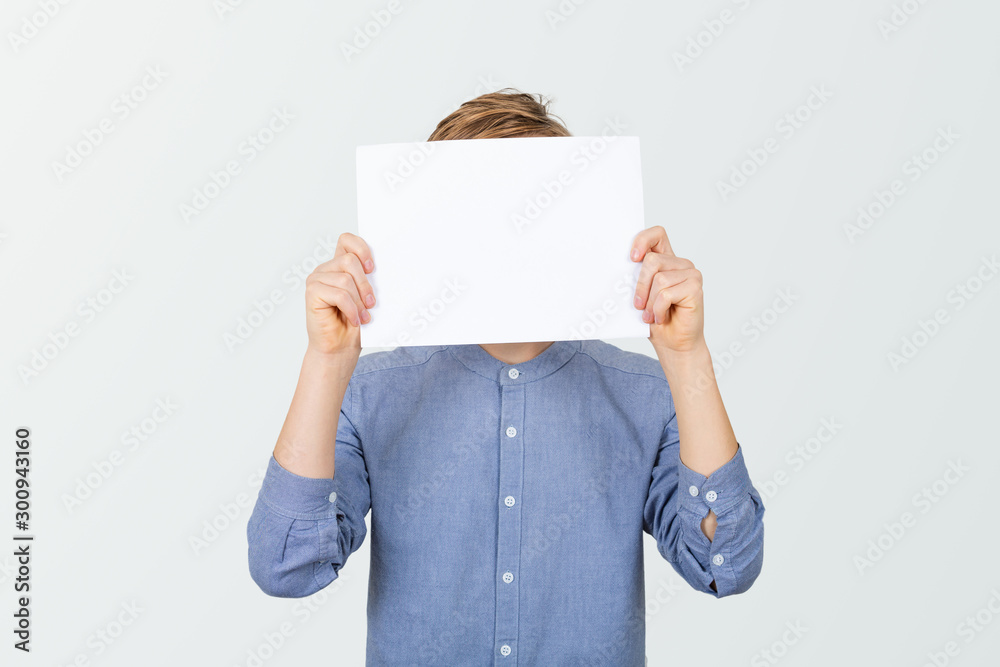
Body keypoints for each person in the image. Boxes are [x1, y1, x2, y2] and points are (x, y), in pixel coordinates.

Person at [246, 89, 765, 665]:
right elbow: (284, 567)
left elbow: (725, 564)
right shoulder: (370, 392)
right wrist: (325, 362)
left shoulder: (649, 394)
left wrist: (687, 356)